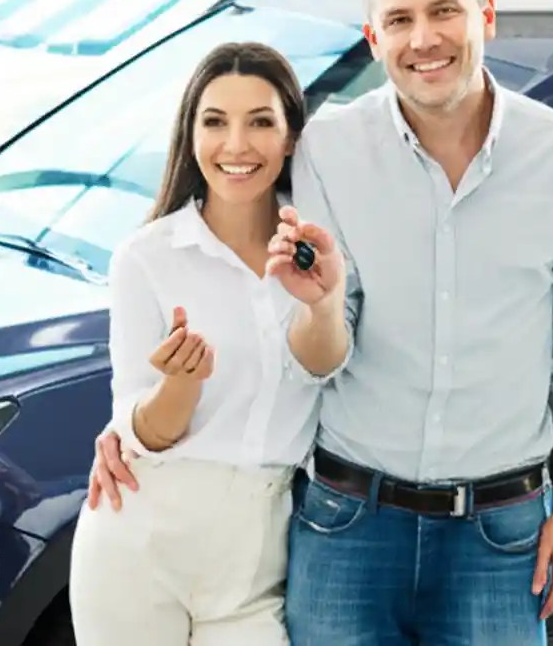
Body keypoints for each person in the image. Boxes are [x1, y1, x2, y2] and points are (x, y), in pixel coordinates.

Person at [89, 0, 553, 643]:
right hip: (347, 524)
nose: (423, 39)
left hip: (500, 535)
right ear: (374, 37)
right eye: (399, 20)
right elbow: (301, 334)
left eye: (444, 12)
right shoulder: (325, 153)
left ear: (485, 15)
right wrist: (137, 420)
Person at [67, 41, 348, 646]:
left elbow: (323, 364)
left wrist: (322, 302)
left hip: (257, 556)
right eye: (215, 122)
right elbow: (141, 432)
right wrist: (181, 383)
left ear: (291, 136)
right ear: (190, 135)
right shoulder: (145, 258)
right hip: (140, 542)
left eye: (261, 122)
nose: (237, 146)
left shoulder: (320, 246)